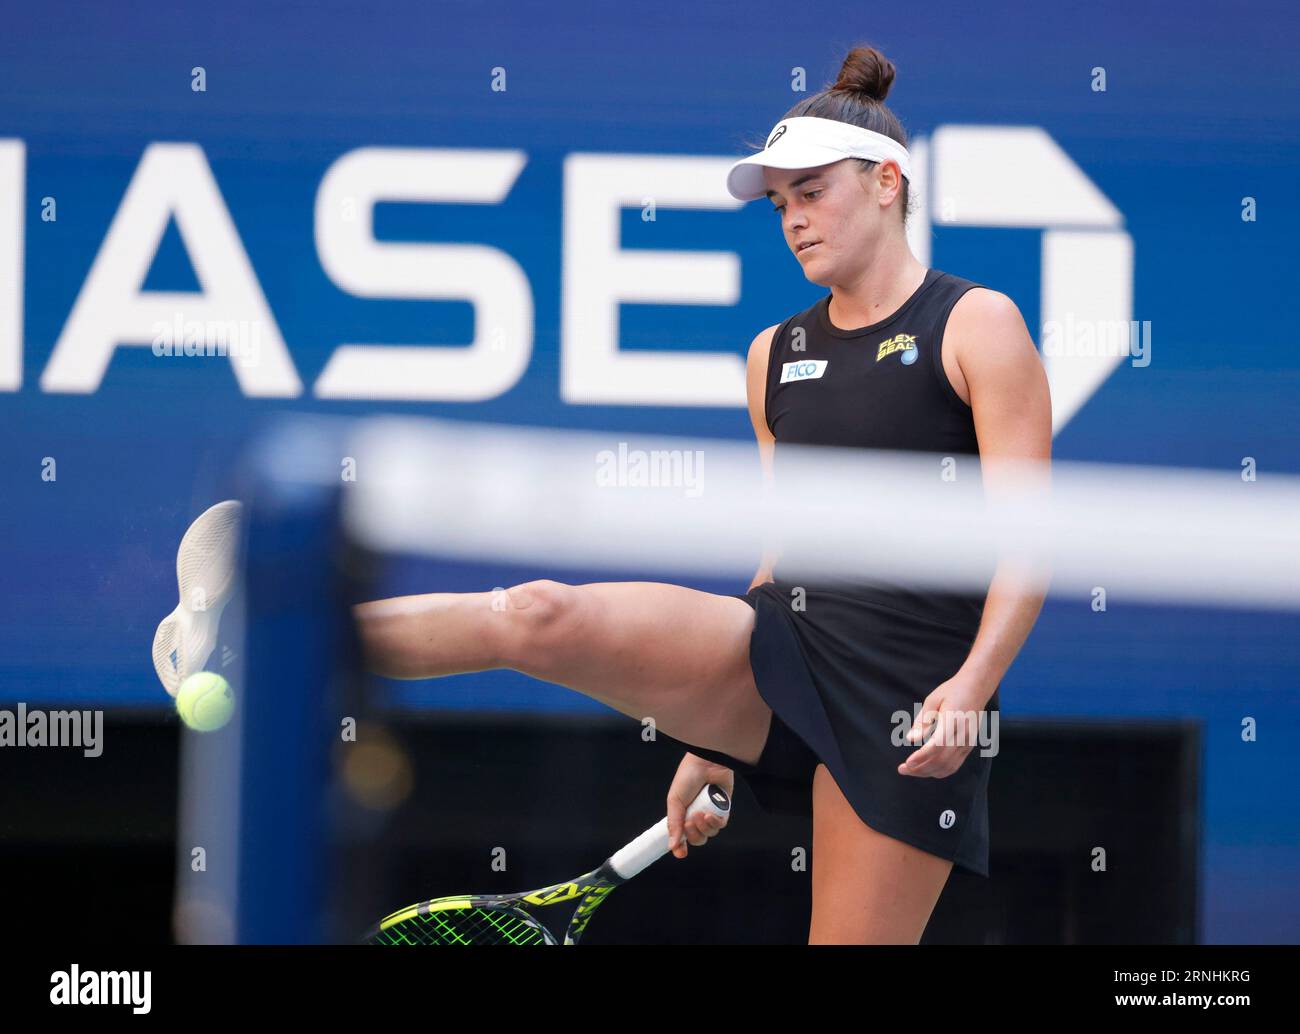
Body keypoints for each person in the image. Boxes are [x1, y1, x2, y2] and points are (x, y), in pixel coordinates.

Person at [350, 43, 1051, 943]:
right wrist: (712, 736)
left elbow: (1032, 539)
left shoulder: (977, 323)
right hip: (785, 645)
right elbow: (778, 551)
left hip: (912, 698)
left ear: (885, 182)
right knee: (536, 613)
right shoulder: (773, 355)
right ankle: (272, 630)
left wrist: (972, 685)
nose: (793, 219)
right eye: (780, 203)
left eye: (812, 192)